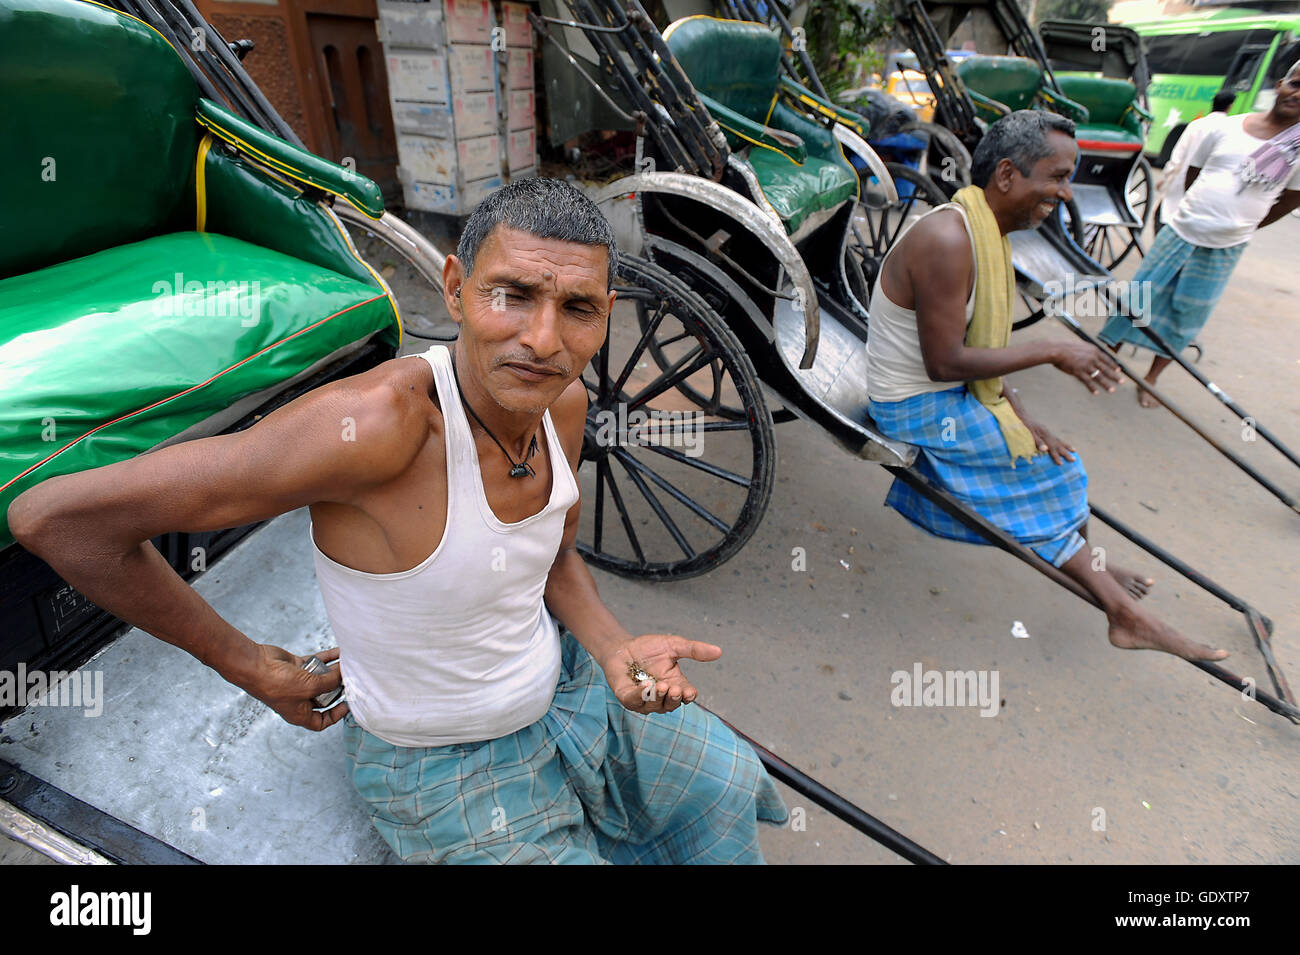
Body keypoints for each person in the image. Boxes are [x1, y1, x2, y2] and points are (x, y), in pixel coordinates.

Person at [7, 177, 787, 864]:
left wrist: (615, 648)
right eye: (511, 294)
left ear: (605, 315)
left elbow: (552, 557)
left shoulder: (567, 402)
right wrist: (250, 666)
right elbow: (54, 519)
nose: (544, 341)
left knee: (724, 785)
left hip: (566, 693)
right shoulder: (378, 425)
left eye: (576, 308)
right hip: (437, 761)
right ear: (455, 288)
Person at [865, 110, 1228, 663]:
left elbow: (975, 352)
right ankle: (1124, 615)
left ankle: (1093, 569)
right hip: (913, 404)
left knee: (1057, 461)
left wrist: (1021, 413)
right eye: (1056, 177)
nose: (1064, 192)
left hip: (944, 392)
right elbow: (945, 362)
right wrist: (1053, 348)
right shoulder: (948, 238)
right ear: (1007, 175)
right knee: (1043, 475)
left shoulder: (985, 231)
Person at [1100, 62, 1300, 405]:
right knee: (1138, 298)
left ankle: (1150, 378)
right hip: (1182, 229)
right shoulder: (1226, 128)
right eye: (1296, 83)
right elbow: (1194, 173)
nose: (1297, 95)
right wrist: (1198, 212)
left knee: (1188, 313)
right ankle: (1105, 359)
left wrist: (1242, 225)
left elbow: (1289, 200)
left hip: (1227, 245)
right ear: (1281, 84)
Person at [1154, 88, 1238, 232]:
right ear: (1230, 106)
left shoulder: (1197, 125)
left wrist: (1166, 177)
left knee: (1167, 215)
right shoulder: (1230, 128)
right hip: (1206, 187)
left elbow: (1177, 157)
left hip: (1182, 180)